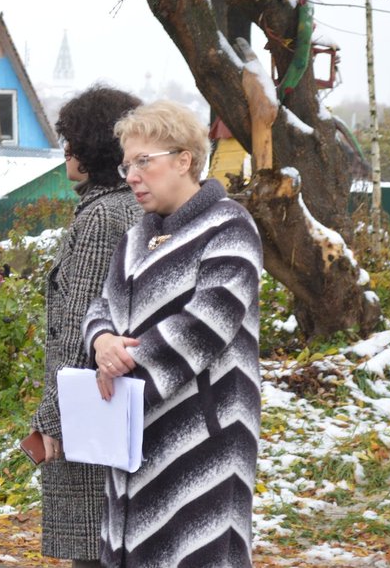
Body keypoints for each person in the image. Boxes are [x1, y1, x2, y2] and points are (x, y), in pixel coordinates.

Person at [84, 101, 262, 567]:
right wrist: (101, 342)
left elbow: (211, 319)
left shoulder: (229, 226)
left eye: (144, 161)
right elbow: (102, 305)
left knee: (195, 551)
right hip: (133, 431)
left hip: (203, 437)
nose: (132, 175)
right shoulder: (137, 237)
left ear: (184, 159)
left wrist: (126, 362)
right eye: (127, 165)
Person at [28, 86, 142, 567]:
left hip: (89, 405)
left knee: (93, 548)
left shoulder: (102, 216)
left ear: (89, 146)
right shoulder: (132, 206)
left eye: (70, 139)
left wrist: (51, 420)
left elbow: (82, 323)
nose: (64, 150)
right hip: (112, 397)